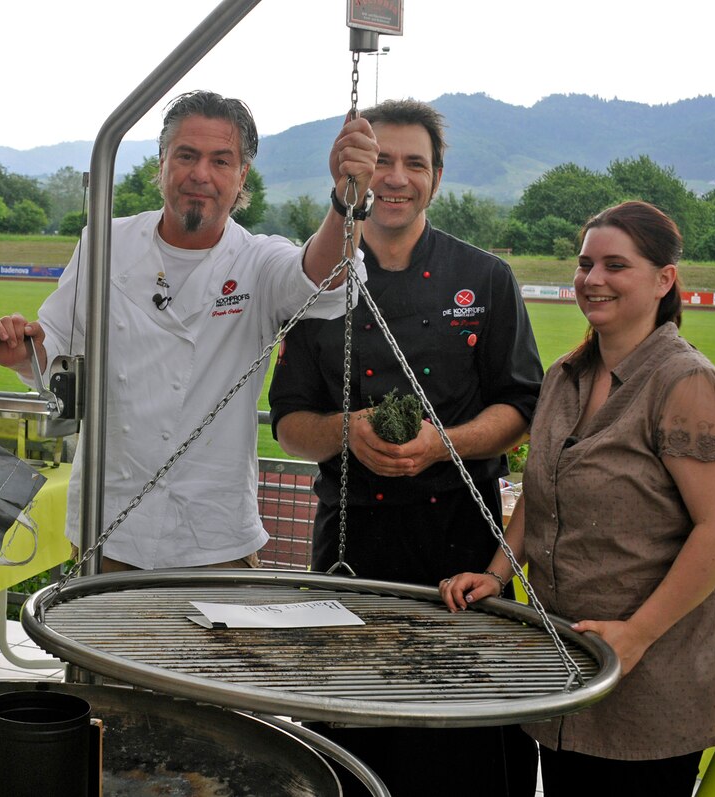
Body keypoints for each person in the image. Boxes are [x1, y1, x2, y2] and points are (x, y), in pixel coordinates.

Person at [268, 99, 541, 796]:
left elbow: (520, 407)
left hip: (461, 543)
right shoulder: (320, 278)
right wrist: (345, 433)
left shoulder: (485, 278)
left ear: (437, 178)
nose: (395, 178)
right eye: (379, 161)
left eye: (413, 163)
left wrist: (443, 444)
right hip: (350, 540)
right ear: (353, 172)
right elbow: (289, 421)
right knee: (349, 736)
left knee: (465, 744)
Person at [0, 90, 375, 571]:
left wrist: (343, 201)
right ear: (163, 162)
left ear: (242, 176)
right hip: (106, 529)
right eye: (186, 155)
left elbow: (321, 277)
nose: (201, 174)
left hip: (215, 537)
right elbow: (55, 353)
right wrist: (24, 350)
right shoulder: (104, 242)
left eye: (220, 160)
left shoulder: (258, 259)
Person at [441, 201, 715, 796]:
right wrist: (497, 575)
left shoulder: (685, 382)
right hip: (565, 666)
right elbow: (540, 496)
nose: (592, 279)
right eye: (585, 264)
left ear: (663, 280)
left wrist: (637, 634)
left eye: (615, 265)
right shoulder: (565, 375)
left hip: (651, 682)